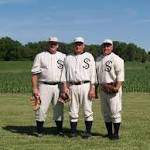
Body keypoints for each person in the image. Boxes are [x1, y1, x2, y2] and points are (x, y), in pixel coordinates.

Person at [61, 37, 96, 139]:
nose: (78, 46)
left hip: (85, 85)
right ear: (73, 45)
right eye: (76, 44)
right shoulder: (68, 57)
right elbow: (64, 74)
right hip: (72, 86)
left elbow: (93, 73)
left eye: (80, 44)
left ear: (83, 46)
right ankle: (73, 132)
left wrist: (92, 88)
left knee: (87, 109)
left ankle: (88, 132)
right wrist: (65, 87)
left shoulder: (89, 56)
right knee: (73, 110)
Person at [31, 36, 66, 137]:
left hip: (58, 86)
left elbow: (66, 73)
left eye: (55, 43)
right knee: (41, 108)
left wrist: (65, 87)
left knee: (59, 109)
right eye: (51, 43)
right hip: (44, 85)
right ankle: (39, 131)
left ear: (58, 45)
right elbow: (34, 74)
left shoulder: (63, 56)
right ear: (48, 44)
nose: (53, 45)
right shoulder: (40, 56)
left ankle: (59, 130)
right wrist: (34, 88)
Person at [96, 39, 124, 140]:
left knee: (115, 111)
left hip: (112, 87)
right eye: (104, 46)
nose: (106, 48)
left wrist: (117, 87)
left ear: (112, 47)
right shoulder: (98, 59)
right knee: (105, 112)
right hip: (102, 88)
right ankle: (109, 133)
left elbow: (120, 75)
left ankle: (116, 134)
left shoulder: (117, 59)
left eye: (108, 46)